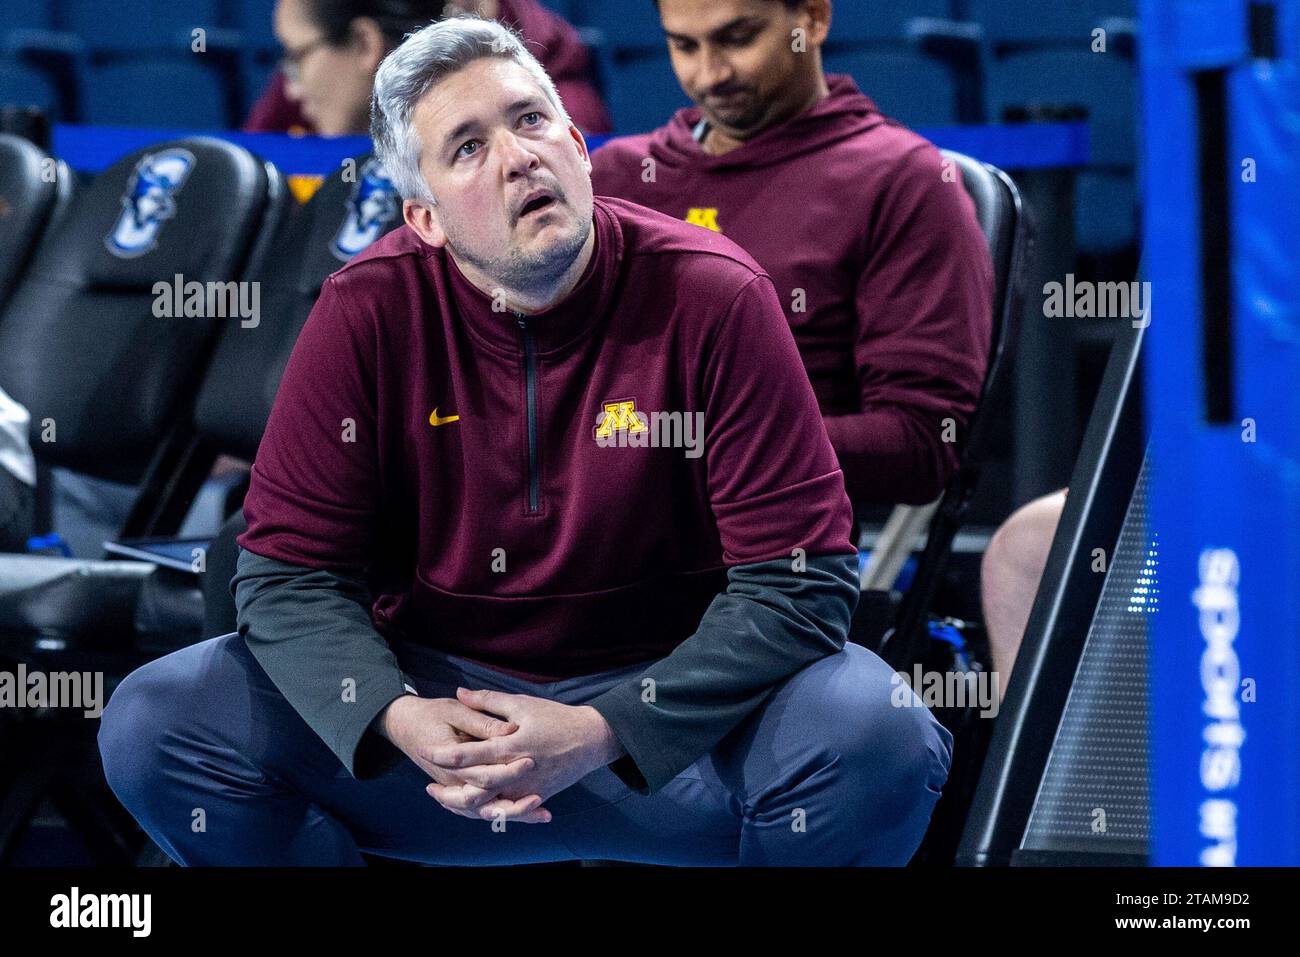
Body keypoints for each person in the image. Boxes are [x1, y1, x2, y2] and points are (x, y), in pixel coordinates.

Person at [98, 15, 951, 867]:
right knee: (157, 719)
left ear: (581, 146)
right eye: (467, 147)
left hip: (672, 733)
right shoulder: (365, 308)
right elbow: (288, 574)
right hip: (439, 743)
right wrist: (394, 713)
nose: (517, 157)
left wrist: (604, 728)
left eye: (530, 121)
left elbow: (798, 585)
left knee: (875, 728)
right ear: (424, 218)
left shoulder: (717, 294)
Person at [590, 0, 993, 508]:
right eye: (684, 46)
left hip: (765, 543)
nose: (710, 74)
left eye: (738, 39)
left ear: (814, 19)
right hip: (593, 534)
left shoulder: (904, 181)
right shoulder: (614, 178)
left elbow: (920, 447)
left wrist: (689, 448)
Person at [244, 0, 611, 135]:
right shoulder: (311, 68)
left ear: (365, 44)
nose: (290, 86)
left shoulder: (559, 116)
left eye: (296, 57)